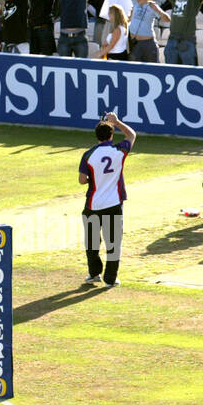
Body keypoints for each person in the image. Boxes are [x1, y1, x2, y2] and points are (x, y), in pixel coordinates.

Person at [78, 111, 137, 288]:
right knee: (113, 242)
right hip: (113, 203)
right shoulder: (119, 151)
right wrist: (117, 121)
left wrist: (93, 180)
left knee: (92, 241)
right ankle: (110, 279)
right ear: (111, 135)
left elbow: (82, 180)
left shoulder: (88, 155)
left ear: (97, 136)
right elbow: (132, 135)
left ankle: (94, 273)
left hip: (93, 204)